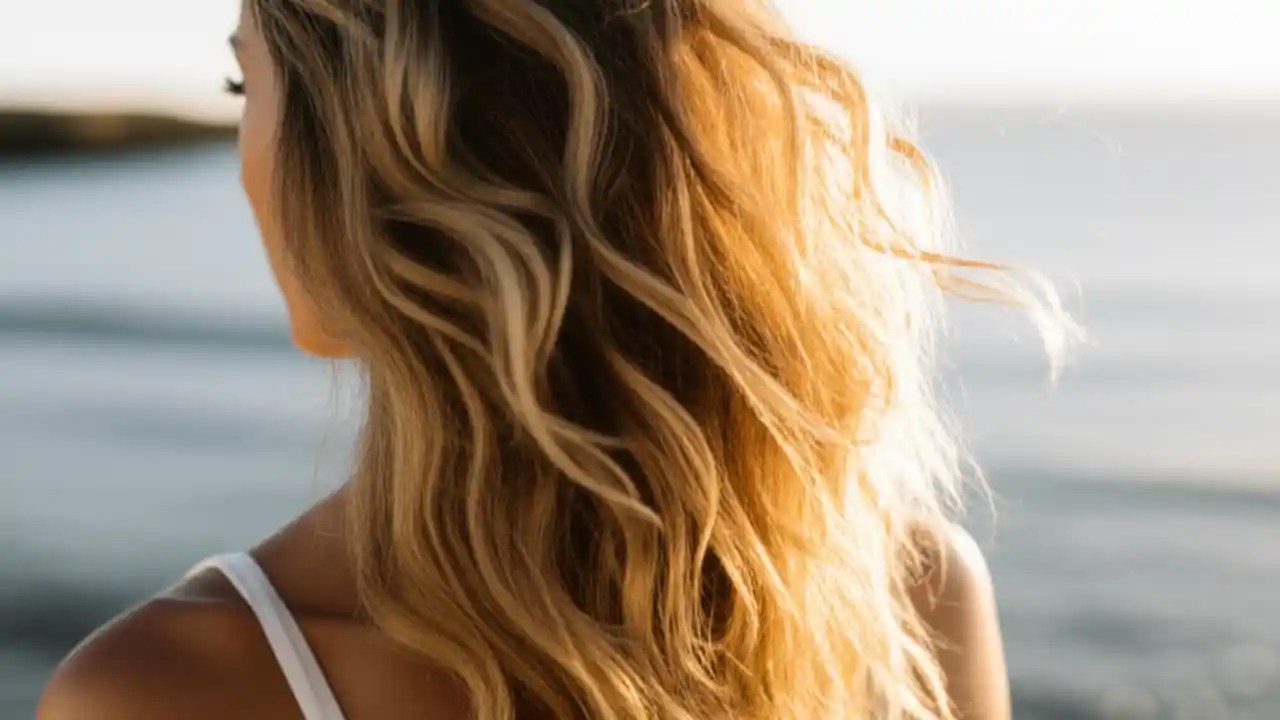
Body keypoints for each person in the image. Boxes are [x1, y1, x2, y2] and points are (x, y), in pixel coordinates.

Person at [39, 0, 1071, 717]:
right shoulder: (910, 598)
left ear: (370, 139)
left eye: (243, 80)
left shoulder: (170, 691)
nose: (242, 153)